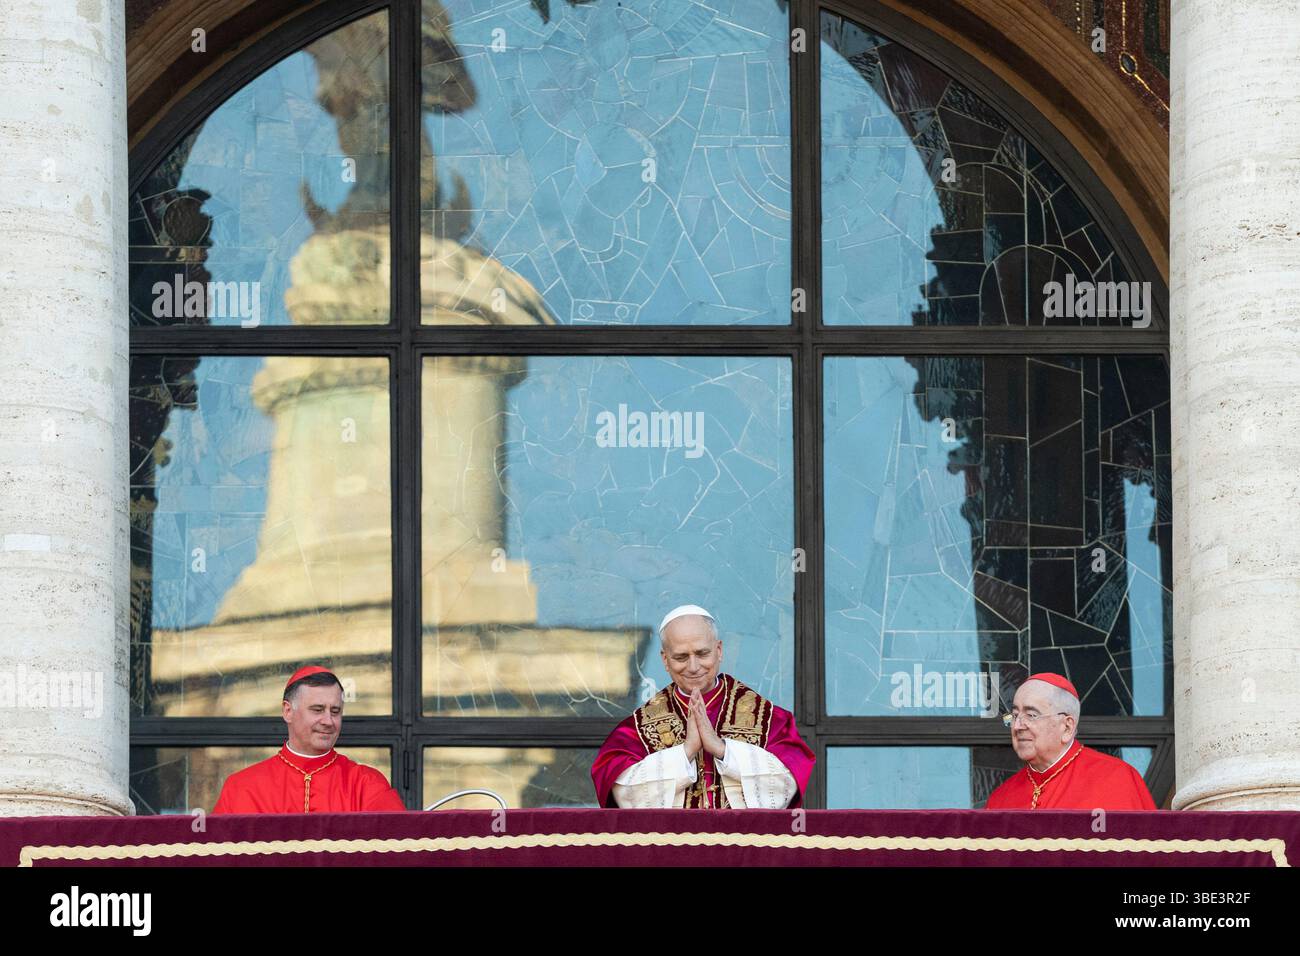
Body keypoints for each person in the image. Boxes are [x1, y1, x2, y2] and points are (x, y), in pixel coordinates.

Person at [592, 605, 814, 808]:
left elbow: (787, 783)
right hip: (673, 847)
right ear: (665, 660)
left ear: (719, 650)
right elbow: (622, 793)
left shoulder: (769, 720)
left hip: (742, 847)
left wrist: (722, 750)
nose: (693, 666)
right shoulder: (637, 729)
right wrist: (686, 752)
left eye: (702, 653)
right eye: (680, 657)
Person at [212, 665, 405, 814]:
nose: (328, 721)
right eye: (317, 710)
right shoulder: (241, 788)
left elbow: (400, 850)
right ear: (288, 711)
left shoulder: (367, 784)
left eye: (335, 711)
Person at [985, 672, 1156, 810]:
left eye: (1031, 715)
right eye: (1014, 716)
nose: (1017, 726)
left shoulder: (1117, 780)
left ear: (1067, 727)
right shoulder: (1001, 799)